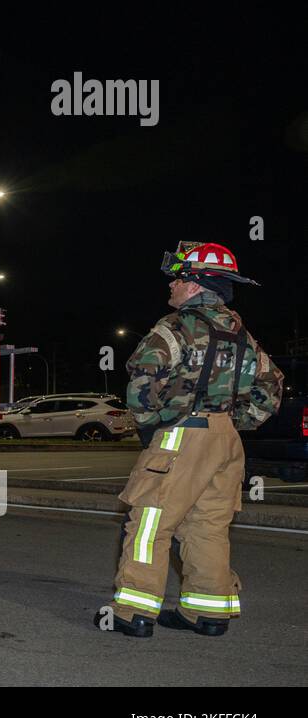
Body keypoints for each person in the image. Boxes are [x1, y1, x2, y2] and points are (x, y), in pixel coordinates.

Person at [103, 241, 282, 638]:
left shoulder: (175, 328)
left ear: (197, 285)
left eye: (180, 278)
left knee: (149, 521)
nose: (172, 285)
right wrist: (234, 421)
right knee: (207, 526)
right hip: (227, 442)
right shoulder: (241, 334)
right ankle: (207, 613)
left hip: (182, 436)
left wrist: (156, 424)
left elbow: (141, 386)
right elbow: (270, 387)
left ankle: (133, 611)